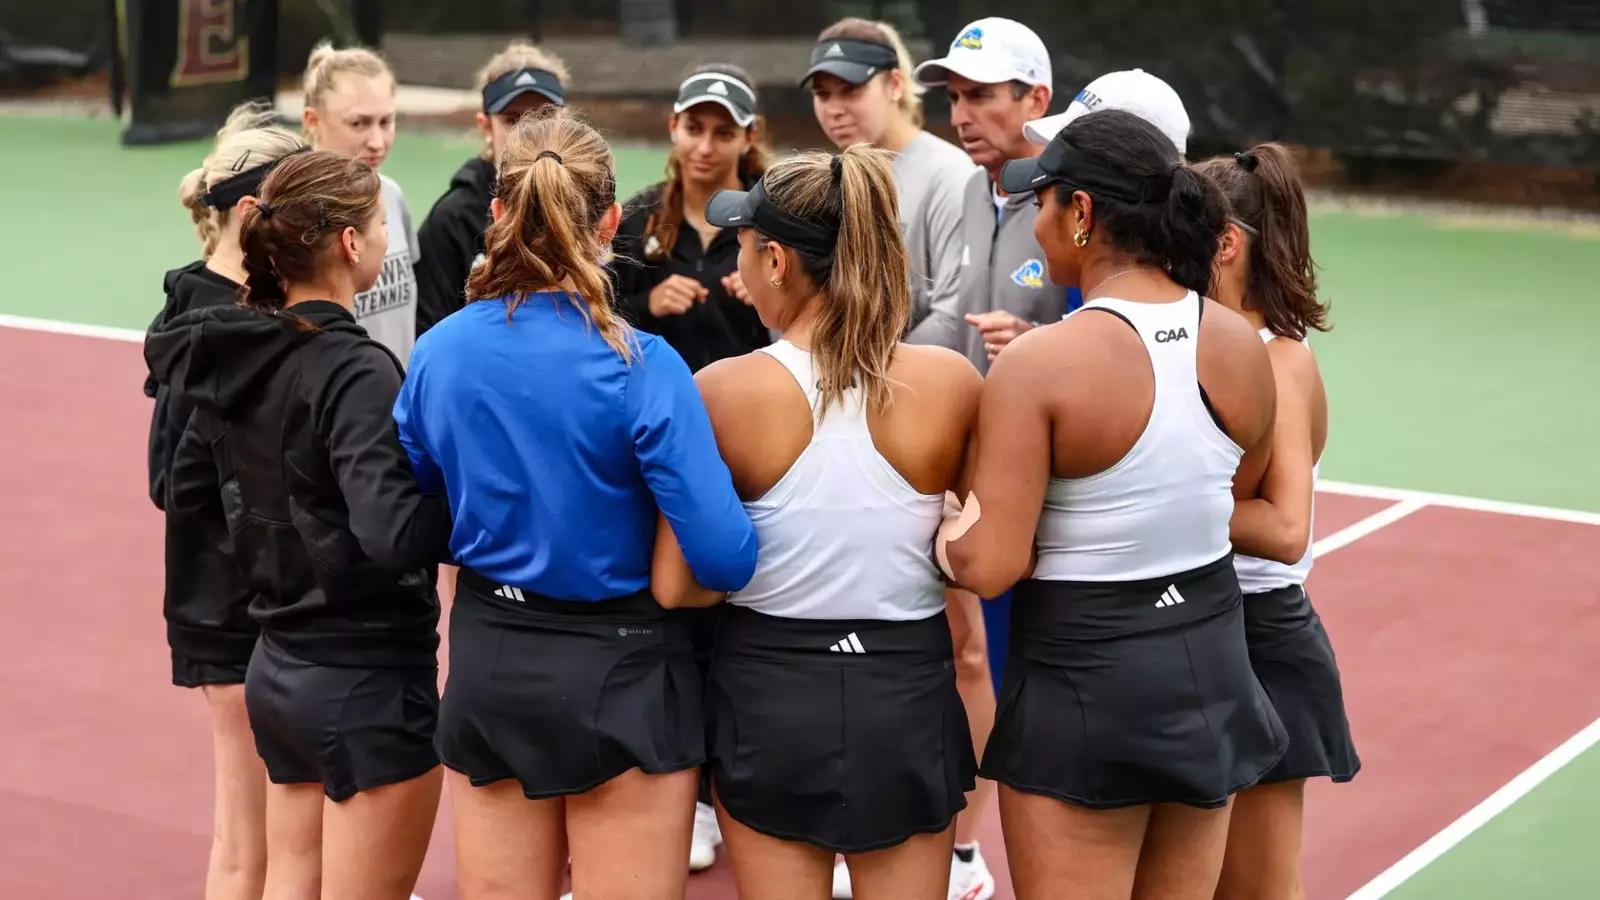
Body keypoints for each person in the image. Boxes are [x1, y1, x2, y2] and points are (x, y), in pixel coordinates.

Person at [392, 109, 759, 900]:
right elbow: (727, 554)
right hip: (626, 674)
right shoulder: (644, 365)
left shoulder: (438, 352)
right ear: (611, 222)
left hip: (491, 662)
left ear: (497, 216)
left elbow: (424, 504)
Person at [937, 109, 1288, 900]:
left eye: (1044, 201)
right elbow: (1234, 494)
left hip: (1085, 682)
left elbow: (990, 567)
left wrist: (946, 533)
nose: (1034, 221)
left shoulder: (1041, 363)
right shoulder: (1239, 344)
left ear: (1083, 214)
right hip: (1210, 664)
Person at [651, 142, 980, 900]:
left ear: (775, 263)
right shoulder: (952, 383)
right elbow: (980, 551)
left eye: (742, 241)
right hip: (904, 693)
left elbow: (677, 586)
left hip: (769, 694)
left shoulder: (721, 391)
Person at [144, 149, 453, 900]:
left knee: (290, 882)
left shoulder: (236, 351)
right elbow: (393, 533)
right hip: (368, 679)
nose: (385, 237)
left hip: (276, 667)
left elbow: (189, 485)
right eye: (379, 224)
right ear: (350, 244)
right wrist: (461, 487)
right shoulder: (355, 369)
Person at [146, 100, 307, 900]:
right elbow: (172, 480)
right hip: (235, 610)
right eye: (298, 203)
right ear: (253, 212)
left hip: (251, 604)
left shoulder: (221, 309)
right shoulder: (213, 326)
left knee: (266, 838)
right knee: (256, 845)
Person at [1196, 144, 1359, 900]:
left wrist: (1152, 503)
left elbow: (1286, 528)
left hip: (1258, 635)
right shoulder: (1203, 349)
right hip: (1198, 628)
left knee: (1255, 891)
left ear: (1226, 244)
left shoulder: (1281, 364)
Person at [802, 17, 974, 335]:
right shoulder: (824, 180)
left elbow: (954, 315)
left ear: (895, 85)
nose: (834, 109)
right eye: (823, 94)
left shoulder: (948, 174)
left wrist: (864, 380)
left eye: (850, 90)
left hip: (914, 379)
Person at [613, 63, 772, 374]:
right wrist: (648, 304)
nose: (705, 148)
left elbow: (821, 316)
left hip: (755, 407)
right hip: (660, 408)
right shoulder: (637, 219)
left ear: (749, 136)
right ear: (673, 126)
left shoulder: (779, 218)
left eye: (724, 134)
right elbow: (596, 317)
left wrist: (774, 293)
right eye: (694, 129)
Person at [415, 40, 570, 336]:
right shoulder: (452, 221)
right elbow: (428, 332)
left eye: (544, 115)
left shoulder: (586, 208)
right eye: (512, 119)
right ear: (485, 126)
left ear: (565, 118)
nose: (529, 130)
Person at [300, 41, 422, 367]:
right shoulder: (292, 215)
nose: (377, 142)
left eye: (386, 122)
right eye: (359, 123)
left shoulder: (392, 197)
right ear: (313, 121)